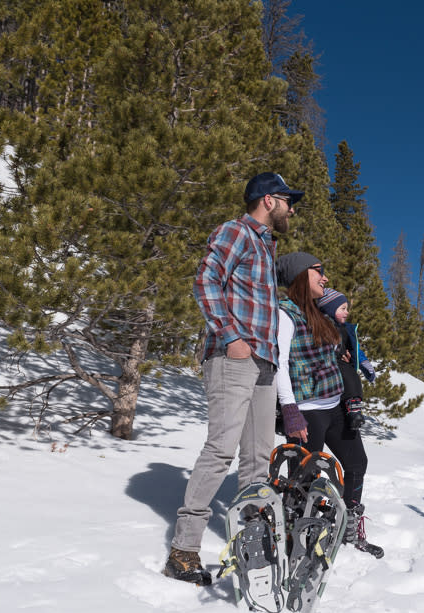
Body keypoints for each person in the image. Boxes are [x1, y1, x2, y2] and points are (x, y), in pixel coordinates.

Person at [163, 172, 302, 585]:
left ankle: (252, 540)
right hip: (234, 358)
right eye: (288, 201)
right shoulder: (236, 232)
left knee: (258, 457)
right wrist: (231, 337)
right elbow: (205, 282)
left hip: (264, 363)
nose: (292, 210)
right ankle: (183, 550)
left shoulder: (265, 246)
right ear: (268, 200)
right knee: (221, 449)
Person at [275, 253, 384, 559]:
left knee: (357, 463)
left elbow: (327, 353)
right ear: (300, 275)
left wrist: (342, 357)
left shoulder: (320, 314)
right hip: (307, 411)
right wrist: (290, 410)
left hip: (335, 407)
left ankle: (348, 529)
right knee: (303, 478)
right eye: (318, 272)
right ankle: (297, 541)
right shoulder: (285, 314)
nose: (325, 278)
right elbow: (280, 364)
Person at [316, 287, 377, 432]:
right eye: (343, 308)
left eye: (347, 308)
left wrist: (364, 363)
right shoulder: (320, 324)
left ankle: (354, 407)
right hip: (326, 364)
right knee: (346, 372)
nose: (347, 312)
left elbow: (355, 349)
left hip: (342, 362)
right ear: (330, 309)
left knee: (351, 375)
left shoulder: (346, 329)